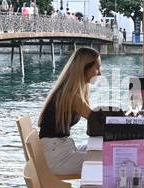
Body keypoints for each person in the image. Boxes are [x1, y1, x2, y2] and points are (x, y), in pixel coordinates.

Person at [36, 47, 103, 175]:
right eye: (97, 68)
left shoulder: (70, 91)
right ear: (84, 68)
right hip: (56, 157)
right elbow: (96, 121)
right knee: (106, 158)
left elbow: (94, 118)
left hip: (58, 149)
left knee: (101, 151)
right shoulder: (73, 97)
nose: (99, 73)